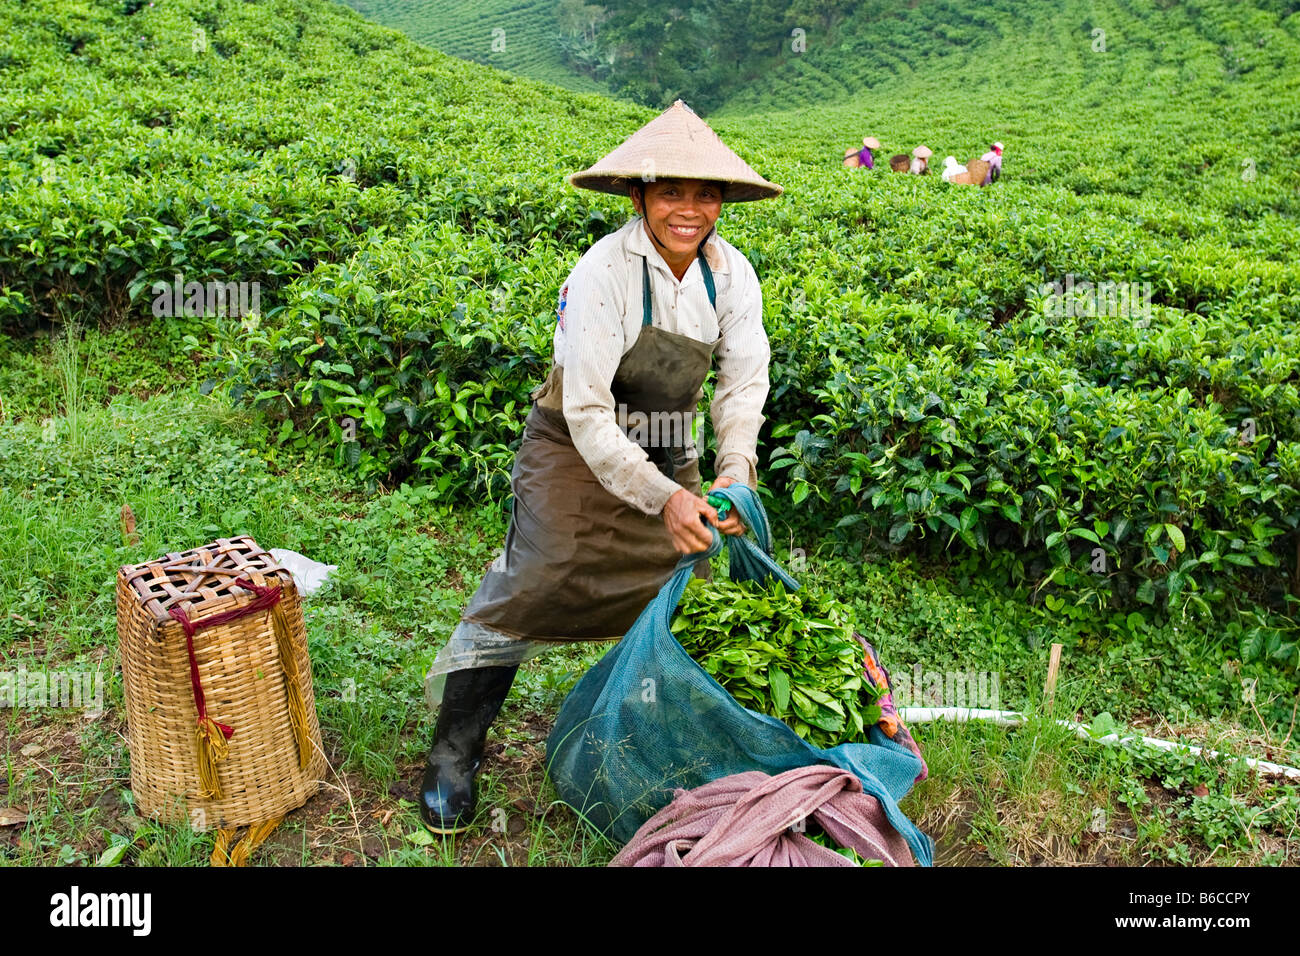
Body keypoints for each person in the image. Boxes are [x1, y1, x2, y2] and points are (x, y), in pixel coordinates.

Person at [418, 100, 783, 834]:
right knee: (534, 581)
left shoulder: (731, 276)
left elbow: (742, 382)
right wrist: (660, 497)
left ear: (723, 202)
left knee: (687, 590)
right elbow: (586, 412)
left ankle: (649, 743)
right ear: (638, 195)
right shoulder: (603, 273)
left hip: (665, 444)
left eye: (705, 193)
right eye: (671, 192)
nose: (689, 209)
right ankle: (454, 751)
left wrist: (733, 471)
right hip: (572, 446)